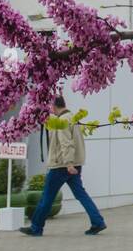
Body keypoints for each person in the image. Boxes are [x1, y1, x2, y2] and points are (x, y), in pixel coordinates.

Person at [20, 95, 107, 237]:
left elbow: (66, 143)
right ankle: (97, 222)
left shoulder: (62, 121)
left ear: (54, 106)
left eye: (50, 106)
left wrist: (68, 164)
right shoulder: (72, 117)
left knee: (46, 198)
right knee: (81, 194)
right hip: (74, 164)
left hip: (61, 165)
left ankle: (36, 227)